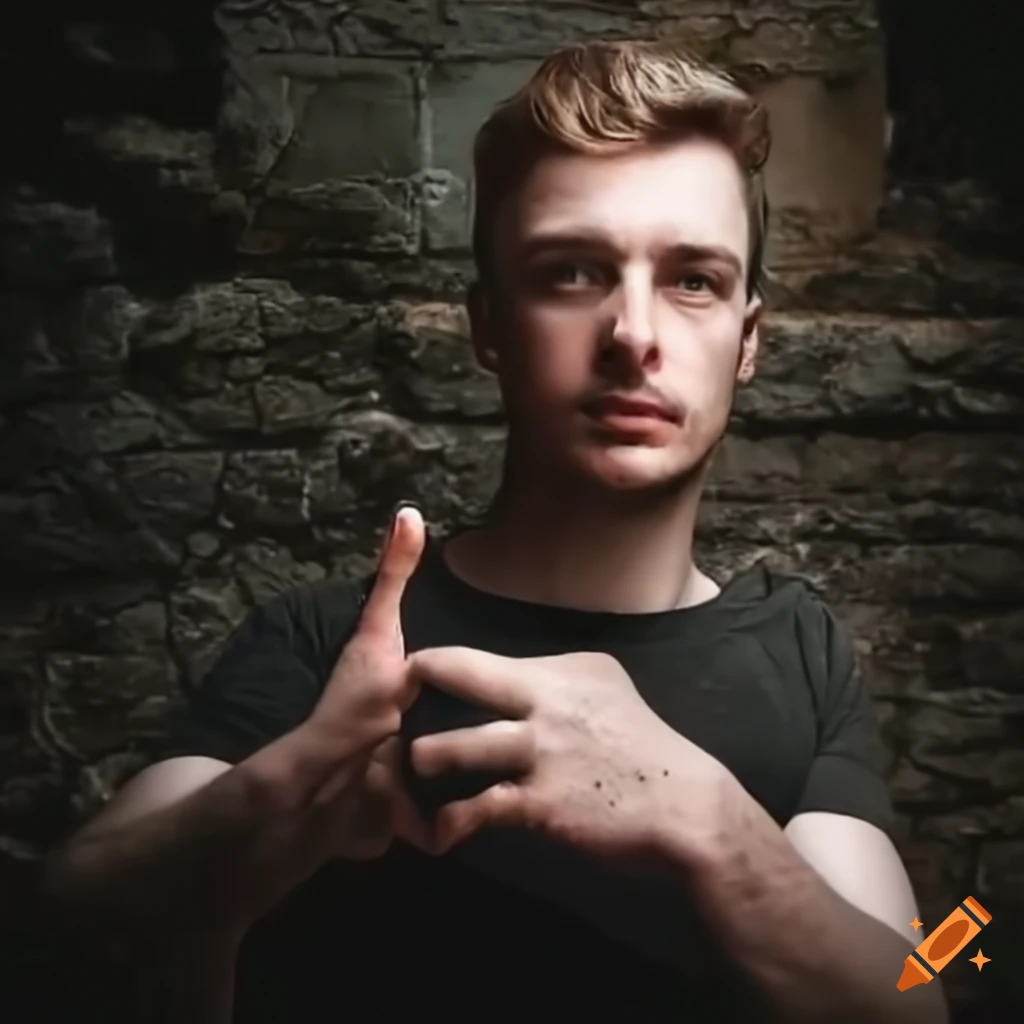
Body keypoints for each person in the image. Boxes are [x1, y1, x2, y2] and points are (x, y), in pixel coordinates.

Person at [42, 38, 949, 1024]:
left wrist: (713, 823)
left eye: (692, 278)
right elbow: (45, 941)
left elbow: (922, 983)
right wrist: (268, 805)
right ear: (486, 325)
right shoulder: (328, 646)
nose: (633, 332)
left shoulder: (805, 652)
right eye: (569, 271)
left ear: (749, 338)